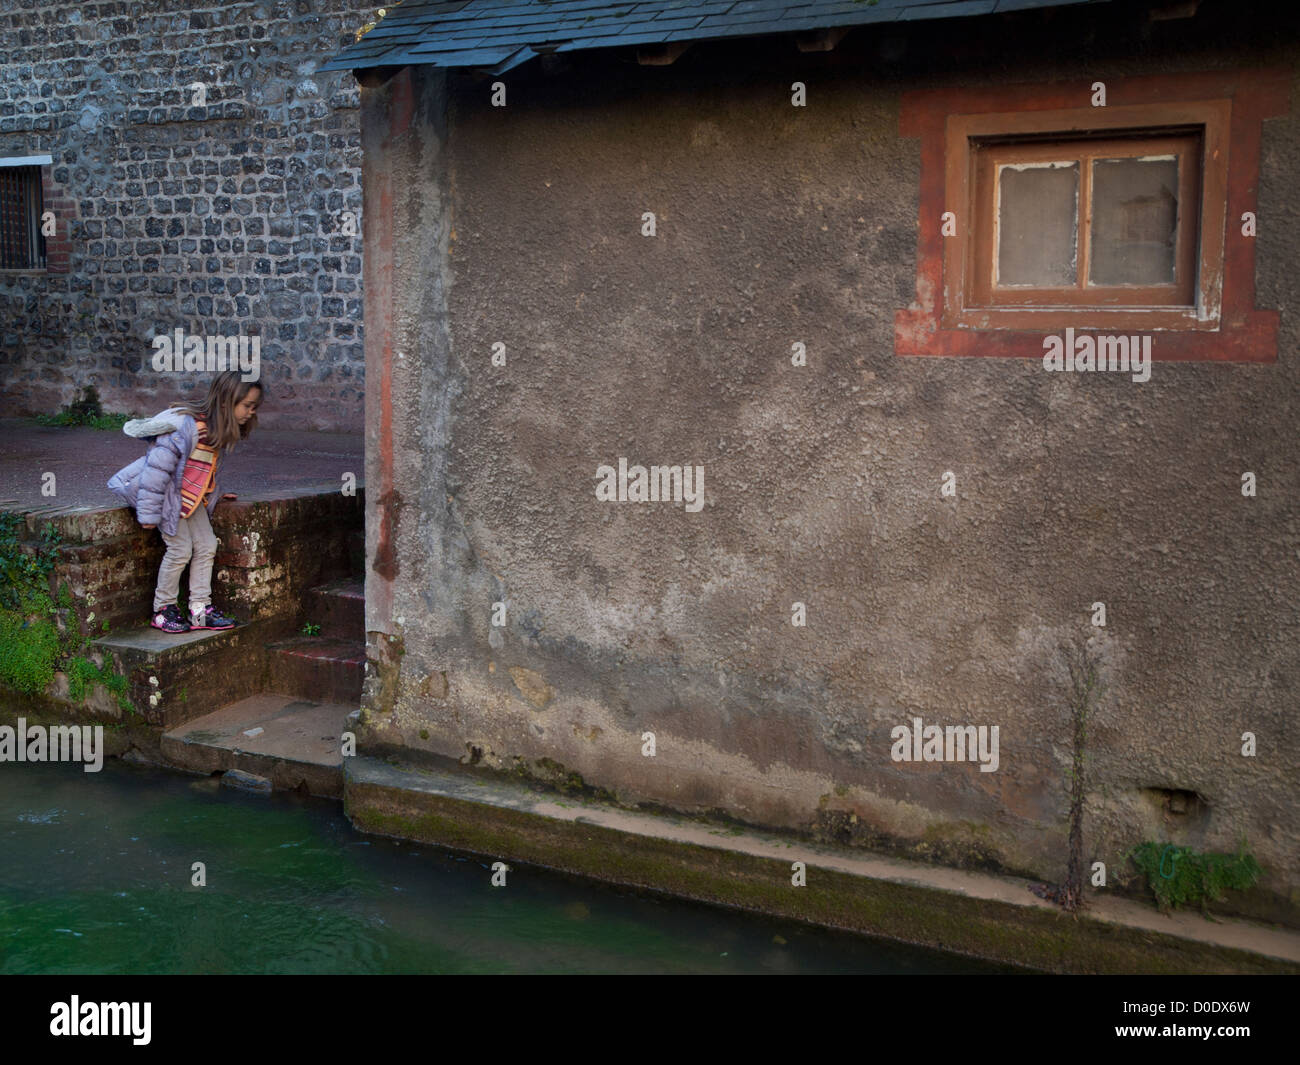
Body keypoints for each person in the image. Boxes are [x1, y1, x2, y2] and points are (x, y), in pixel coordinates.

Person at [107, 371, 263, 633]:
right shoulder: (185, 429)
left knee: (207, 545)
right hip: (168, 498)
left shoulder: (214, 433)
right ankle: (162, 609)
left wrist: (213, 494)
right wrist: (148, 515)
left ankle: (200, 610)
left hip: (190, 500)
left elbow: (200, 471)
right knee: (180, 550)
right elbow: (156, 473)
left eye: (254, 407)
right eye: (247, 405)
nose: (250, 412)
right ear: (226, 402)